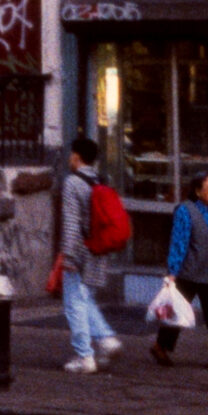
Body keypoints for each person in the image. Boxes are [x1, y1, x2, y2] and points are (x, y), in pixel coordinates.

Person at [152, 171, 208, 370]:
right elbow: (179, 242)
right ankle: (160, 346)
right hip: (188, 271)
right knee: (177, 311)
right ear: (198, 191)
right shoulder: (185, 210)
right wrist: (172, 272)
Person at [58, 134, 122, 373]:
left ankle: (84, 356)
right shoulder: (100, 180)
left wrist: (69, 255)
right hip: (98, 249)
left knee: (74, 303)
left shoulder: (72, 183)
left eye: (70, 154)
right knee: (84, 300)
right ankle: (107, 340)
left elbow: (72, 222)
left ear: (76, 156)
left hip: (80, 250)